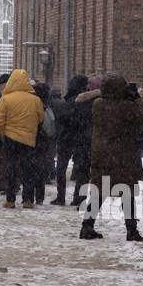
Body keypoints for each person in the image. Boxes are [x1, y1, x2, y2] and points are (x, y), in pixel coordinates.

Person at [83, 74, 143, 241]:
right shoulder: (125, 107)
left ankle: (87, 226)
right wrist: (136, 99)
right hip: (122, 156)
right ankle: (131, 230)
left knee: (99, 192)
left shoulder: (98, 104)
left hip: (101, 154)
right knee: (127, 193)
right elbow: (142, 117)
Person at [0, 69, 44, 210]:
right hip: (29, 140)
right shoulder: (35, 100)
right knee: (28, 169)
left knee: (11, 168)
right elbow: (41, 118)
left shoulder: (6, 99)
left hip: (10, 138)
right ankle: (27, 199)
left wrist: (3, 133)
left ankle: (10, 199)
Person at [53, 75, 93, 207]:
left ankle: (61, 197)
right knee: (82, 170)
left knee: (61, 168)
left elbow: (61, 120)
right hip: (82, 139)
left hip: (66, 139)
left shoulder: (67, 102)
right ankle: (79, 198)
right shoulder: (89, 103)